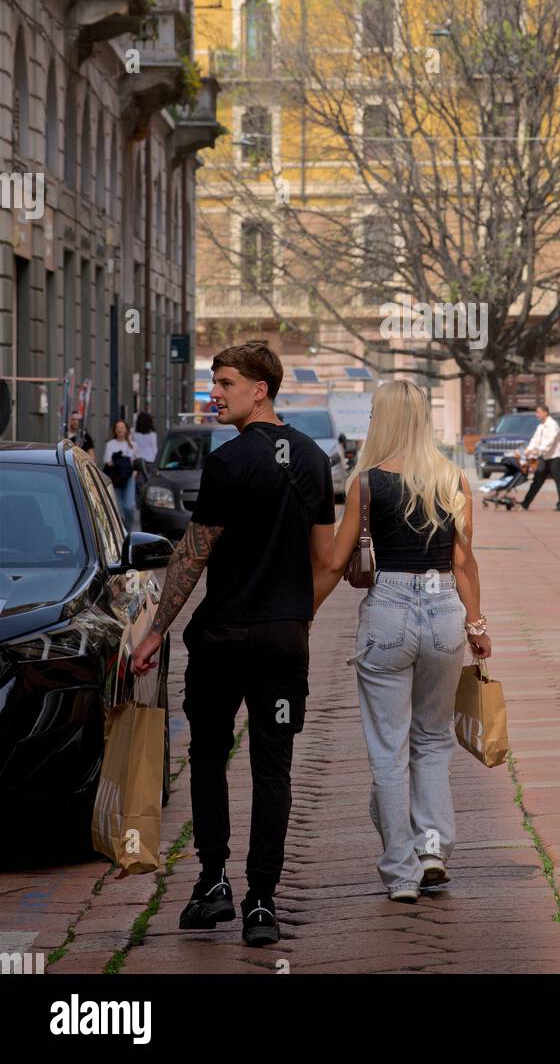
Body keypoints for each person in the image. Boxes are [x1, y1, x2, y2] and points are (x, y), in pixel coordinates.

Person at [130, 340, 335, 947]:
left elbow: (192, 556)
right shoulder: (314, 461)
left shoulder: (226, 462)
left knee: (210, 759)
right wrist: (297, 617)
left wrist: (155, 629)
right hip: (280, 641)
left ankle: (213, 881)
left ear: (259, 389)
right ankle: (263, 903)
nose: (212, 393)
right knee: (274, 769)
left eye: (223, 383)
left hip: (221, 638)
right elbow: (326, 560)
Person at [312, 380, 490, 903]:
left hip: (389, 609)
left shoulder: (366, 484)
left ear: (384, 419)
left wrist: (304, 614)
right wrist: (477, 628)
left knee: (389, 750)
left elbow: (336, 560)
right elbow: (463, 562)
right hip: (444, 612)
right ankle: (432, 850)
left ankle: (401, 872)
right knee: (433, 741)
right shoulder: (454, 478)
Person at [519, 403, 560, 511]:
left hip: (554, 457)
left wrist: (538, 450)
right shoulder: (540, 427)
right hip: (543, 458)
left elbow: (549, 442)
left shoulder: (553, 425)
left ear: (545, 412)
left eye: (539, 412)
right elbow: (535, 440)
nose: (537, 415)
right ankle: (526, 503)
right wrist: (528, 450)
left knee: (558, 480)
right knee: (537, 481)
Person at [103, 420, 137, 529]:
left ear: (126, 429)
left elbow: (136, 462)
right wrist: (120, 461)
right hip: (116, 478)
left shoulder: (133, 445)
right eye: (117, 427)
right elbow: (107, 461)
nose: (120, 429)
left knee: (129, 506)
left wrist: (134, 473)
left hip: (129, 478)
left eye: (122, 427)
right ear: (114, 430)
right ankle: (122, 531)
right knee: (118, 507)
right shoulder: (110, 444)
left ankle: (130, 529)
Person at [132, 411, 159, 505]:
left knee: (139, 483)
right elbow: (154, 449)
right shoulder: (152, 434)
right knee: (149, 482)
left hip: (139, 461)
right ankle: (148, 501)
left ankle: (139, 501)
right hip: (150, 461)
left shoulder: (134, 434)